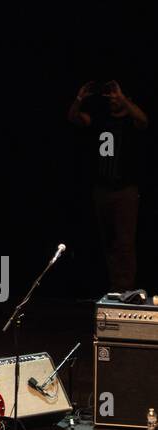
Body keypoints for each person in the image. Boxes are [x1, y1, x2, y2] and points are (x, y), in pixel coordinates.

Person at [68, 79, 148, 291]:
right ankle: (115, 287)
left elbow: (144, 120)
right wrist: (79, 99)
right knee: (109, 242)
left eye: (116, 95)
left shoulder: (131, 121)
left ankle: (126, 289)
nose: (112, 98)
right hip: (102, 190)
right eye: (110, 95)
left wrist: (123, 99)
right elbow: (75, 118)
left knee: (125, 243)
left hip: (125, 190)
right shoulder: (101, 120)